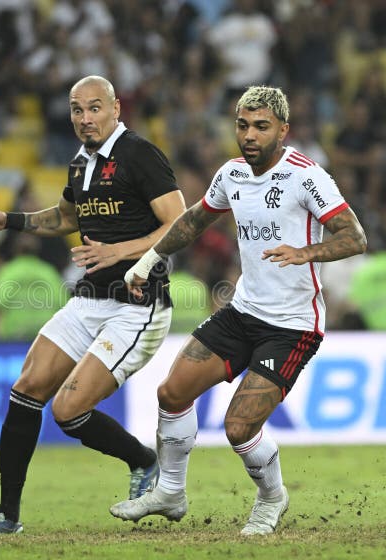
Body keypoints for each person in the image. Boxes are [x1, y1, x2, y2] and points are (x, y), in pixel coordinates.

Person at [110, 86, 367, 535]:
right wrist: (147, 261)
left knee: (238, 427)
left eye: (261, 127)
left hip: (291, 326)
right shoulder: (231, 174)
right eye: (243, 125)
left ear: (283, 130)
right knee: (171, 393)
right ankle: (170, 492)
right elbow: (192, 220)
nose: (250, 135)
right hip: (243, 311)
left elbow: (355, 237)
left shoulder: (307, 176)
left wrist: (306, 252)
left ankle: (272, 498)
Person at [0, 75, 186, 535]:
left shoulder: (140, 154)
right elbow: (65, 218)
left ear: (116, 108)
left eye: (95, 108)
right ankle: (7, 516)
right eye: (77, 110)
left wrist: (118, 252)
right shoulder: (80, 163)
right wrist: (9, 220)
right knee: (27, 388)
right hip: (89, 300)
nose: (86, 119)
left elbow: (181, 224)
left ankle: (144, 460)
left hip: (137, 307)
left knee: (67, 411)